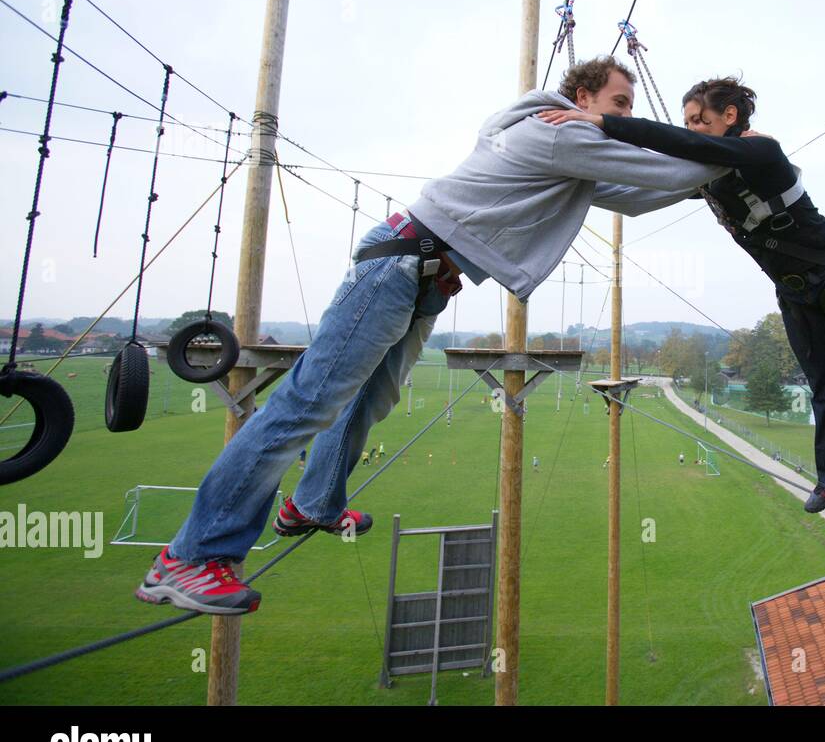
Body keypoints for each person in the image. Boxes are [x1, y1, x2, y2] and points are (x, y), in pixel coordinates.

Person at [135, 56, 729, 616]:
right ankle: (191, 556)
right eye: (619, 102)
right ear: (582, 98)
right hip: (397, 269)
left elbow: (644, 194)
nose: (624, 115)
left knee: (368, 399)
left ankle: (312, 504)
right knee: (304, 404)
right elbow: (661, 167)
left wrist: (708, 177)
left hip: (419, 280)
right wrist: (741, 155)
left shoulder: (569, 152)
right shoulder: (556, 131)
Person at [538, 77, 825, 526]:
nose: (692, 130)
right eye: (687, 122)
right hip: (796, 293)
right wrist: (571, 178)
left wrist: (602, 121)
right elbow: (641, 190)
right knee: (822, 387)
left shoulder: (762, 153)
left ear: (731, 116)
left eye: (701, 120)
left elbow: (675, 143)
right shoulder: (709, 177)